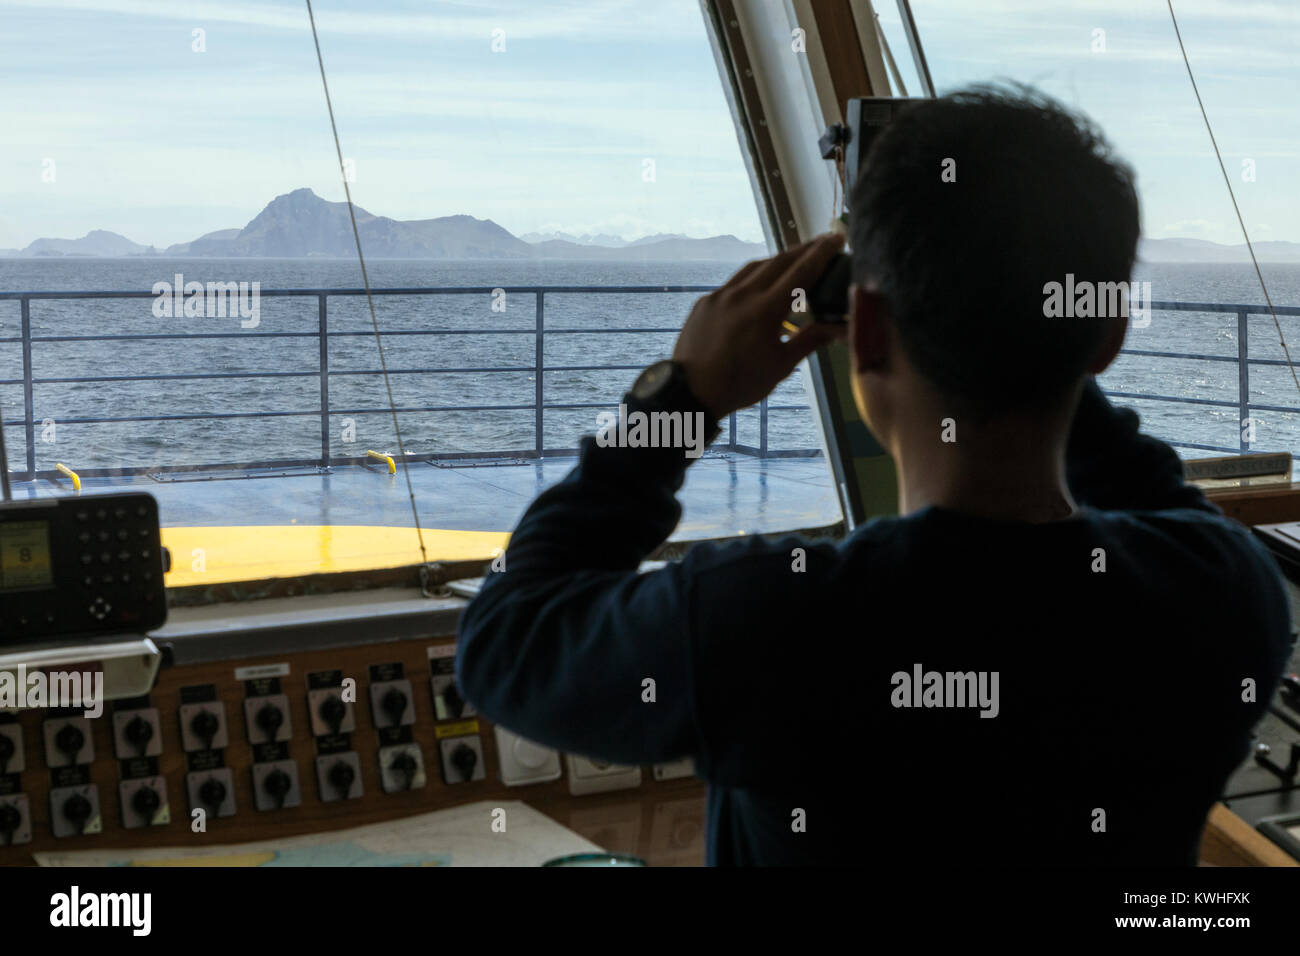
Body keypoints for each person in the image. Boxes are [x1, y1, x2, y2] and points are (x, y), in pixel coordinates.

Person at [455, 86, 1292, 865]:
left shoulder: (766, 621)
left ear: (864, 332)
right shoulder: (1227, 595)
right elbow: (1151, 490)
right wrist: (1024, 320)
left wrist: (682, 398)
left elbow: (503, 646)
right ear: (1105, 336)